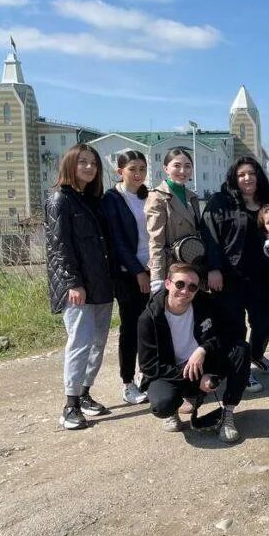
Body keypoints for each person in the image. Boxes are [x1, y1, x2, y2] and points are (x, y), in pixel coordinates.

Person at [138, 263, 251, 442]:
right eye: (180, 284)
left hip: (202, 360)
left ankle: (227, 413)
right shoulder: (149, 318)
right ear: (167, 284)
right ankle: (174, 409)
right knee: (162, 404)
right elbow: (149, 366)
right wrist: (198, 379)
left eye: (192, 287)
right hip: (171, 370)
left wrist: (203, 348)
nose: (185, 291)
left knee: (241, 349)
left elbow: (230, 331)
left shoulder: (205, 303)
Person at [46, 143, 115, 430]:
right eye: (82, 162)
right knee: (79, 343)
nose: (88, 167)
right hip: (77, 288)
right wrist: (73, 282)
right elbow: (59, 247)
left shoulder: (92, 200)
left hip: (101, 285)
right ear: (69, 164)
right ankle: (70, 405)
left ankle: (85, 393)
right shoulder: (58, 199)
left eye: (93, 163)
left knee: (98, 343)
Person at [202, 156, 269, 394]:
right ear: (234, 178)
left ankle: (255, 354)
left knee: (266, 321)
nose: (247, 178)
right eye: (242, 174)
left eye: (252, 173)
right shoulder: (220, 202)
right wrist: (213, 268)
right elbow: (209, 236)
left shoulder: (267, 202)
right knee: (235, 327)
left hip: (262, 275)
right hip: (229, 276)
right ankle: (242, 372)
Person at [100, 149, 151, 405]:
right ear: (120, 171)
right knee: (130, 327)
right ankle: (128, 382)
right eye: (133, 169)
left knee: (150, 326)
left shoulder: (148, 195)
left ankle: (148, 376)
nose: (138, 174)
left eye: (142, 169)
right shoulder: (112, 199)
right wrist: (138, 271)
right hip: (128, 274)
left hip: (153, 270)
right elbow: (117, 242)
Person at [145, 146, 205, 293]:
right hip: (172, 269)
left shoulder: (192, 197)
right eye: (177, 166)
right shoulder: (158, 197)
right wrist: (157, 278)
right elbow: (155, 241)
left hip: (193, 264)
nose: (183, 171)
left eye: (187, 166)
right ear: (166, 168)